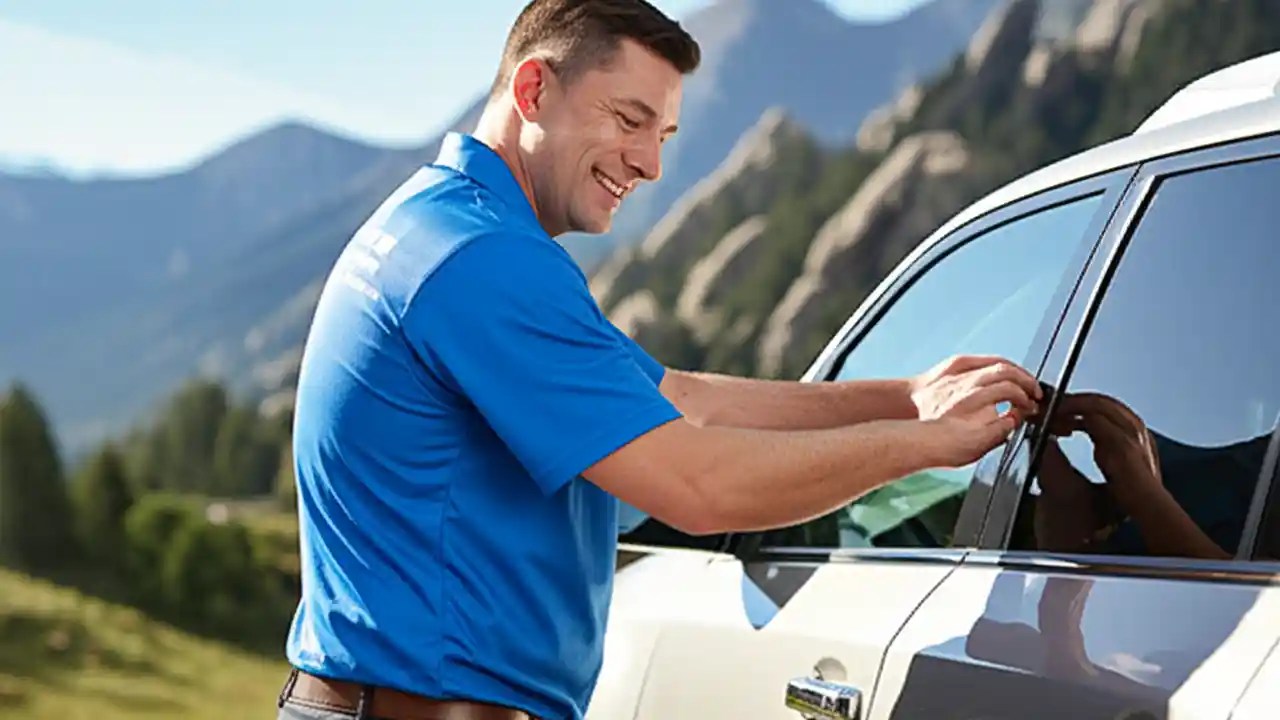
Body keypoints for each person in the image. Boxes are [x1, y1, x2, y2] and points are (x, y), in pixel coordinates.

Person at [274, 1, 1042, 719]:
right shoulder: (485, 262)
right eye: (628, 119)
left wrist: (907, 397)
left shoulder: (440, 224)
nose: (649, 164)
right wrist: (926, 447)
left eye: (665, 136)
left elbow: (683, 399)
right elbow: (696, 485)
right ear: (535, 88)